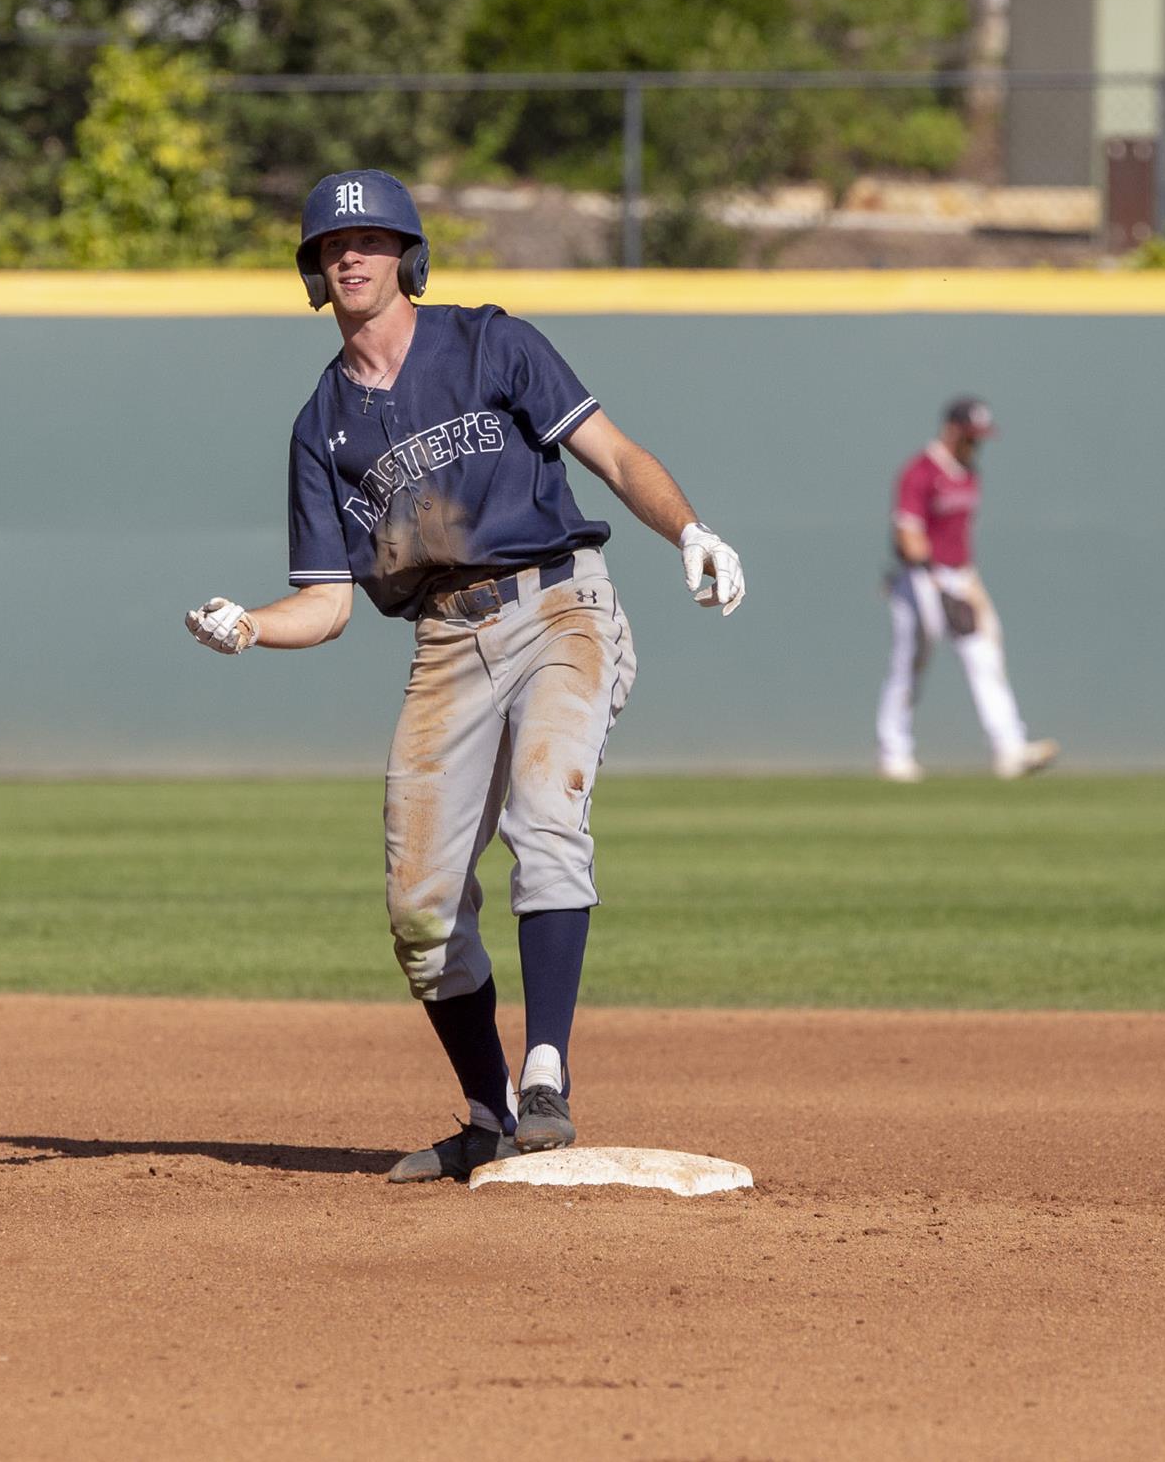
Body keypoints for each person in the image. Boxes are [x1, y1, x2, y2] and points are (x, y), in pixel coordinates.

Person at [184, 169, 745, 1183]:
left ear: (406, 252)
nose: (348, 255)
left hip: (557, 606)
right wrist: (251, 628)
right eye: (329, 246)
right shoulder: (322, 428)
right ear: (313, 271)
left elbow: (612, 454)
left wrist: (689, 530)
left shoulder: (492, 342)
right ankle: (488, 1116)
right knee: (419, 908)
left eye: (369, 238)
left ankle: (545, 1071)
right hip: (443, 643)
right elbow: (325, 602)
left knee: (545, 812)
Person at [875, 396, 1057, 782]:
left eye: (981, 438)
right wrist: (936, 581)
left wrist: (965, 582)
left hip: (961, 576)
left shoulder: (970, 472)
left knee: (986, 658)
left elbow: (959, 535)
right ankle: (894, 753)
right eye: (972, 436)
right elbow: (907, 534)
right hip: (921, 579)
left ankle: (1010, 750)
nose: (978, 444)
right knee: (910, 665)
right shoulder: (921, 471)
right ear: (953, 430)